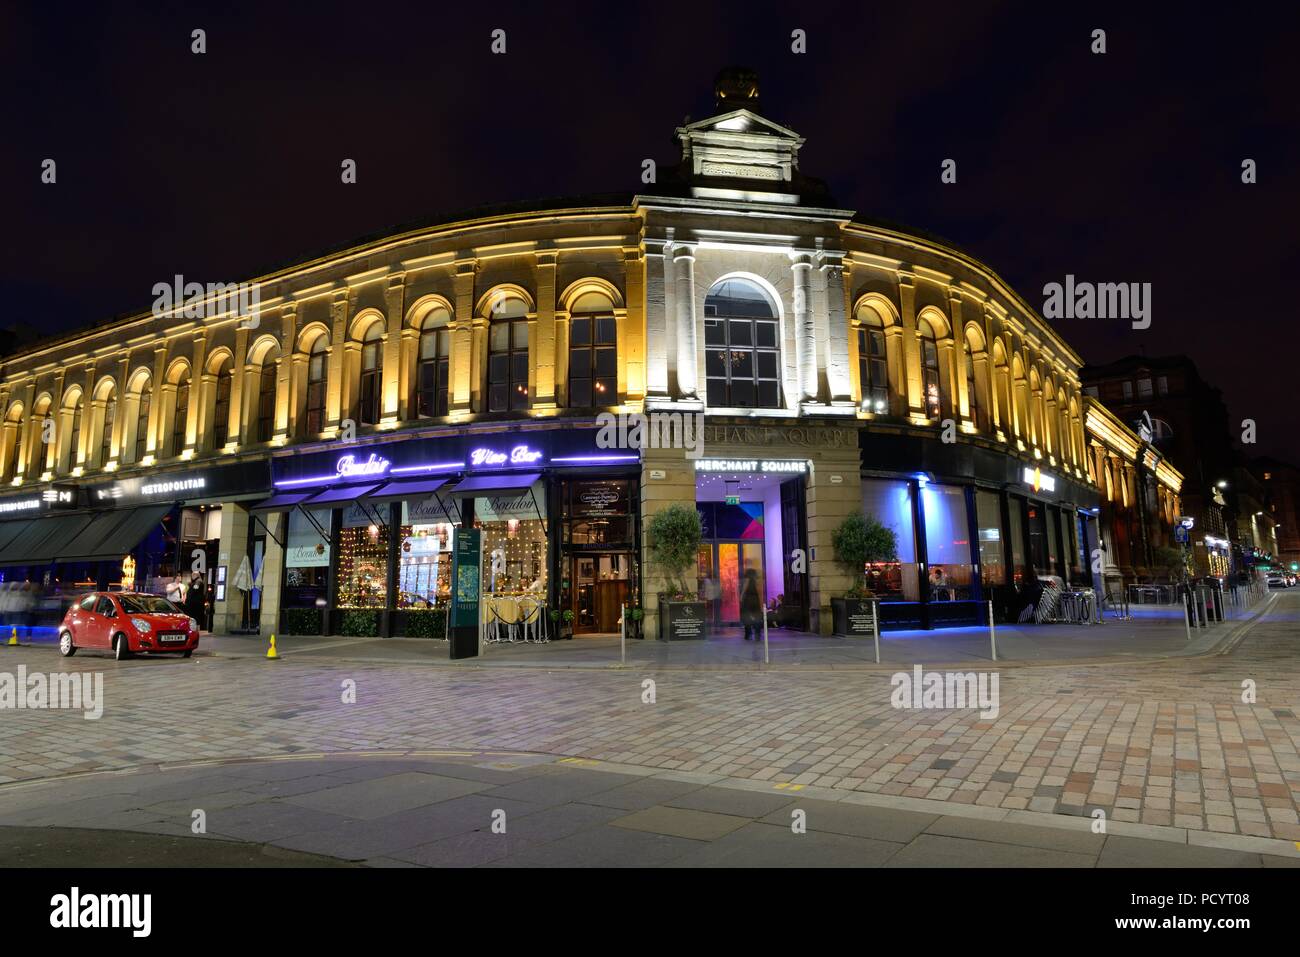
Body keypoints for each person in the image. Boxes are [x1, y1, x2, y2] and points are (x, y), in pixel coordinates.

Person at [739, 568, 763, 641]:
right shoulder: (756, 580)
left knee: (747, 617)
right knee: (757, 617)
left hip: (748, 599)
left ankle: (748, 634)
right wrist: (761, 602)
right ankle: (757, 634)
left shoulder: (747, 579)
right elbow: (759, 591)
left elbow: (745, 587)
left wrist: (741, 596)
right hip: (755, 600)